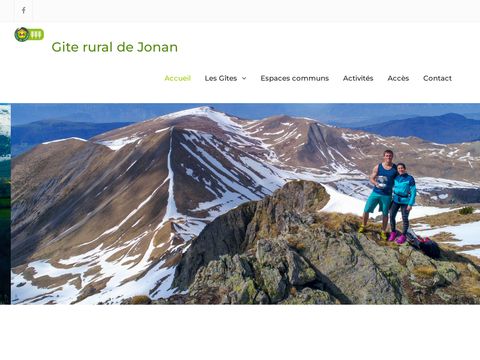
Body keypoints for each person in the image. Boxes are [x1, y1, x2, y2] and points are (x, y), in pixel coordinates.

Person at [358, 149, 398, 240]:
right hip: (376, 192)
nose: (388, 157)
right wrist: (376, 183)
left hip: (387, 195)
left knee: (385, 214)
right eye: (387, 155)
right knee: (367, 209)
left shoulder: (395, 168)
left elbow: (398, 180)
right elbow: (371, 178)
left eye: (390, 156)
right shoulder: (378, 167)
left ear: (392, 157)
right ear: (384, 157)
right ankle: (363, 226)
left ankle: (383, 231)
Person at [388, 163, 416, 244]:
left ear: (405, 168)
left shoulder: (410, 178)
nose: (400, 169)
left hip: (405, 201)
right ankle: (393, 232)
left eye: (402, 168)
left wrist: (410, 204)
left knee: (404, 218)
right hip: (396, 200)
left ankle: (403, 235)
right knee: (392, 215)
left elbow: (413, 192)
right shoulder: (396, 178)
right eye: (399, 168)